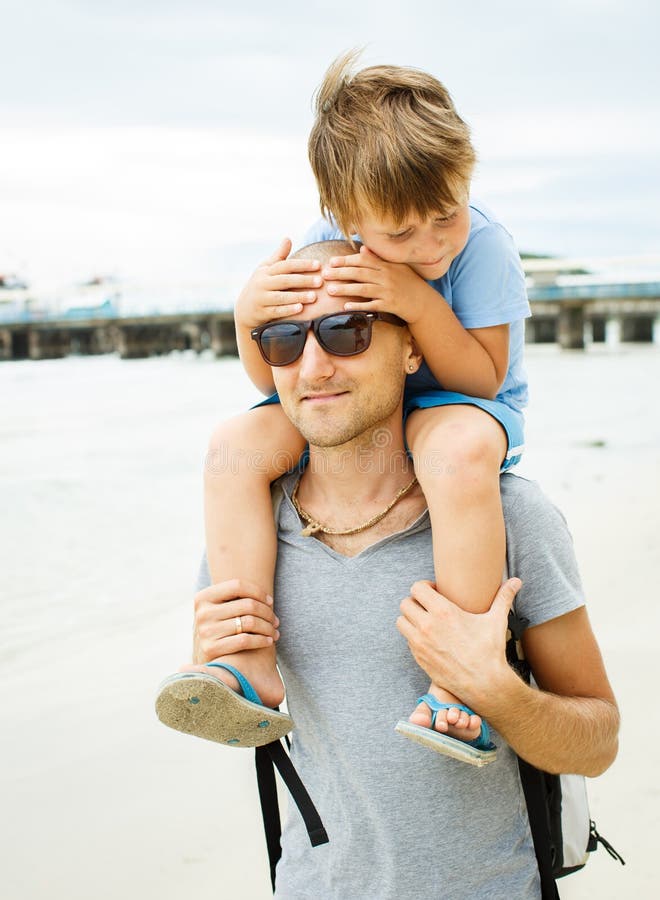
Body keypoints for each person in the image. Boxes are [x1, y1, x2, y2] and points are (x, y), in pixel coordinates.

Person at [184, 245, 619, 898]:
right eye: (283, 341)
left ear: (413, 349)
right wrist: (213, 660)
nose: (315, 365)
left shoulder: (511, 517)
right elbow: (260, 724)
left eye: (347, 331)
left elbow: (598, 742)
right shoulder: (250, 532)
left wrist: (495, 689)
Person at [157, 52, 532, 763]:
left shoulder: (482, 247)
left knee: (454, 454)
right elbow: (277, 374)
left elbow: (485, 376)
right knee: (232, 448)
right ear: (347, 214)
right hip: (356, 399)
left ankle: (460, 684)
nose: (430, 243)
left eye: (444, 215)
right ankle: (245, 661)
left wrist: (416, 301)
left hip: (459, 400)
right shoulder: (319, 244)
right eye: (400, 234)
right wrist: (247, 319)